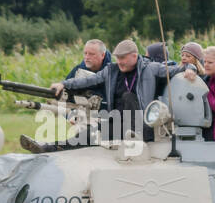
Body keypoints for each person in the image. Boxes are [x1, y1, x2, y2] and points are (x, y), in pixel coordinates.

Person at [21, 39, 178, 152]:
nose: (120, 62)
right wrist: (64, 84)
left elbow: (175, 69)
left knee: (128, 96)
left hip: (140, 125)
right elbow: (89, 80)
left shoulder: (150, 69)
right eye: (117, 58)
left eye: (123, 58)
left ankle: (133, 136)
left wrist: (191, 67)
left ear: (134, 56)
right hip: (117, 121)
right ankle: (48, 147)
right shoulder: (111, 70)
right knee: (86, 135)